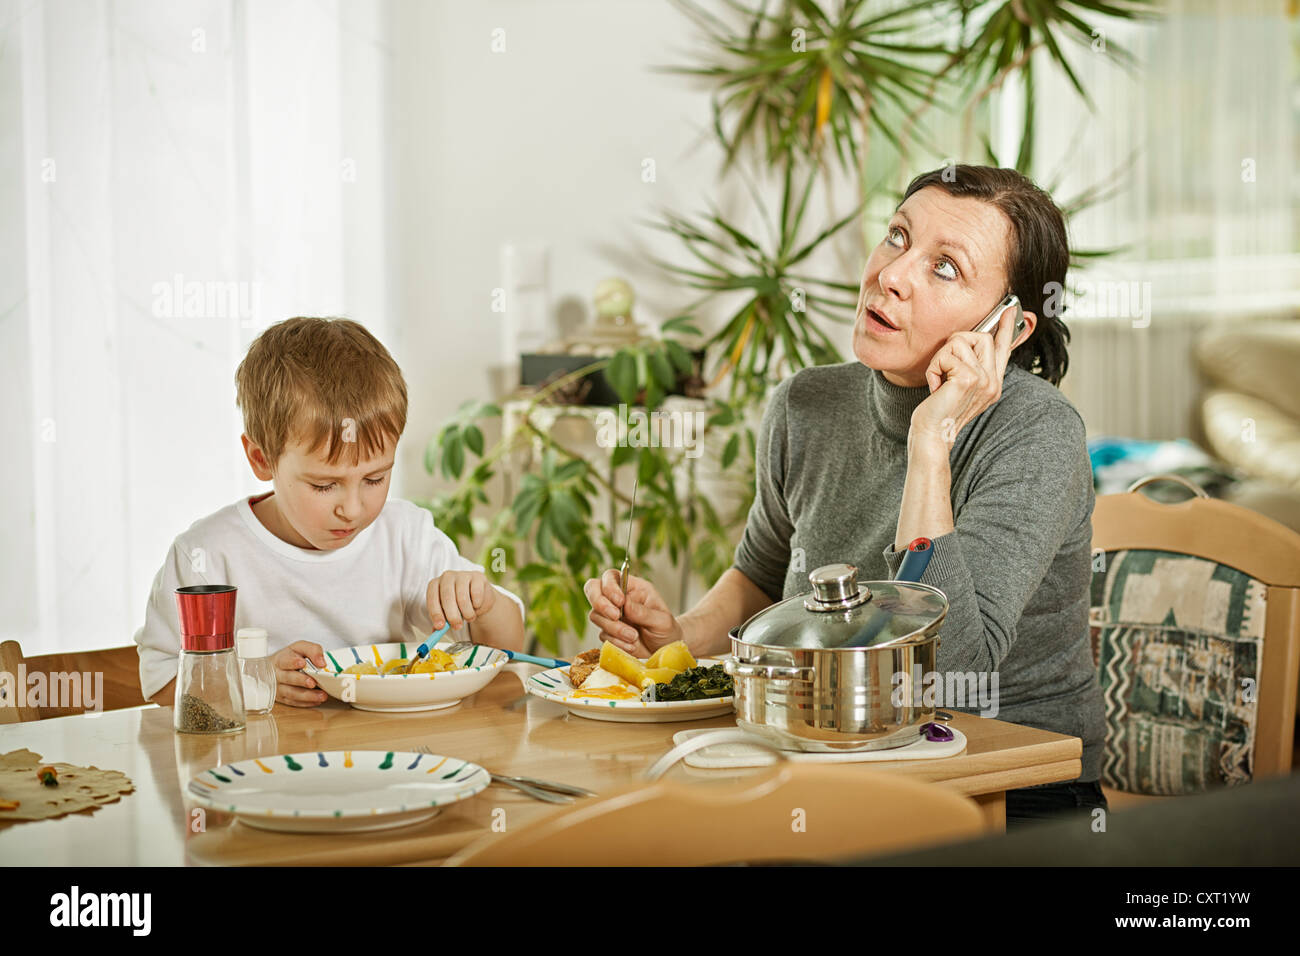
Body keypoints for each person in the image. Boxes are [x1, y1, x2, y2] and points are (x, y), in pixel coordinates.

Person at [584, 165, 1107, 827]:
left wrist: (931, 440)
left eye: (944, 268)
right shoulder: (806, 403)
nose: (891, 274)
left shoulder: (1037, 433)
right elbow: (762, 575)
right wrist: (679, 636)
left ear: (1010, 327)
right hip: (837, 759)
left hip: (1010, 789)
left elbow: (947, 671)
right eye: (897, 237)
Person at [134, 316, 525, 707]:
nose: (353, 509)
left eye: (374, 479)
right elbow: (162, 680)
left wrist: (483, 602)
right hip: (269, 761)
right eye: (324, 485)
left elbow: (506, 649)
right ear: (260, 458)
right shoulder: (209, 556)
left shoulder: (407, 536)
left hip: (397, 758)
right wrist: (254, 679)